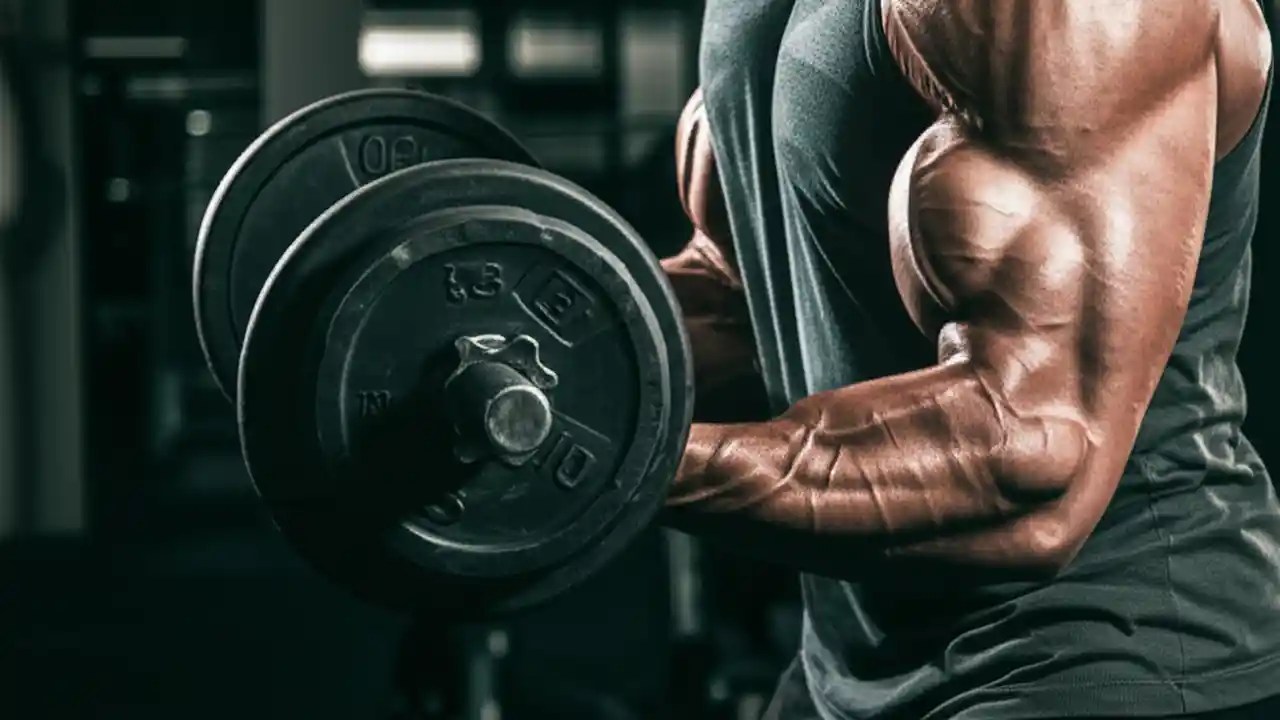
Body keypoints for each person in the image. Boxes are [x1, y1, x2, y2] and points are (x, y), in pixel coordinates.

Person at [660, 1, 1279, 718]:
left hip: (1095, 657)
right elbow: (743, 297)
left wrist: (630, 461)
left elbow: (1030, 455)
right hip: (844, 666)